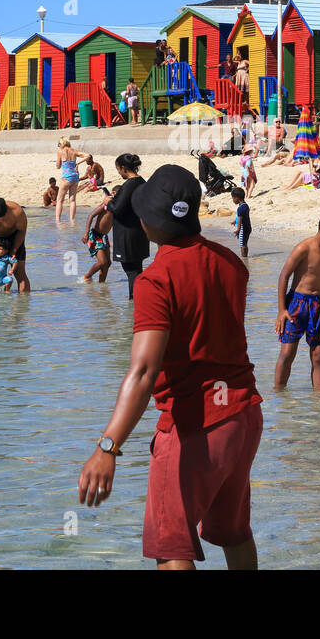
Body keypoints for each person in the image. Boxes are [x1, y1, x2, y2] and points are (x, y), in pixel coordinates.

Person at [77, 165, 263, 570]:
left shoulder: (155, 281)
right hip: (244, 416)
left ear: (150, 221)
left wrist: (107, 446)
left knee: (171, 546)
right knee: (233, 531)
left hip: (195, 425)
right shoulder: (231, 262)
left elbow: (143, 372)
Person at [274, 210, 320, 391]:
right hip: (296, 304)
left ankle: (319, 398)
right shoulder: (304, 248)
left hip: (319, 305)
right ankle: (279, 393)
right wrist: (281, 310)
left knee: (318, 354)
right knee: (287, 352)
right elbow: (284, 275)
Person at [105, 154, 150, 298]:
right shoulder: (142, 182)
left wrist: (108, 202)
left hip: (127, 235)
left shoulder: (128, 185)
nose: (118, 172)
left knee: (131, 271)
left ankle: (135, 303)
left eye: (118, 169)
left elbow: (117, 208)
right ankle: (138, 302)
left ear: (123, 168)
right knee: (136, 270)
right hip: (140, 233)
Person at [82, 197, 114, 283]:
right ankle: (87, 276)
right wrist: (86, 233)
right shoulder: (105, 205)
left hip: (104, 237)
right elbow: (91, 216)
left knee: (108, 263)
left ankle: (102, 284)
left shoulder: (117, 207)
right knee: (102, 262)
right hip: (95, 236)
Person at [54, 138, 87, 223]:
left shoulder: (60, 152)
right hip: (75, 176)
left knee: (59, 200)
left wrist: (59, 162)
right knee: (72, 200)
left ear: (62, 144)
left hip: (66, 177)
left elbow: (58, 166)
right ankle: (72, 220)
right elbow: (88, 156)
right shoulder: (74, 151)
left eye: (59, 144)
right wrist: (78, 163)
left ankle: (58, 221)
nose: (59, 146)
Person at [231, 188, 252, 258]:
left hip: (243, 229)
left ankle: (244, 258)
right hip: (248, 227)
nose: (233, 200)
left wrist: (238, 229)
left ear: (237, 198)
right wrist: (235, 221)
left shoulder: (240, 208)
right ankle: (245, 257)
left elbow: (240, 219)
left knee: (242, 244)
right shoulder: (245, 205)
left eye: (233, 198)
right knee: (244, 243)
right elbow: (241, 216)